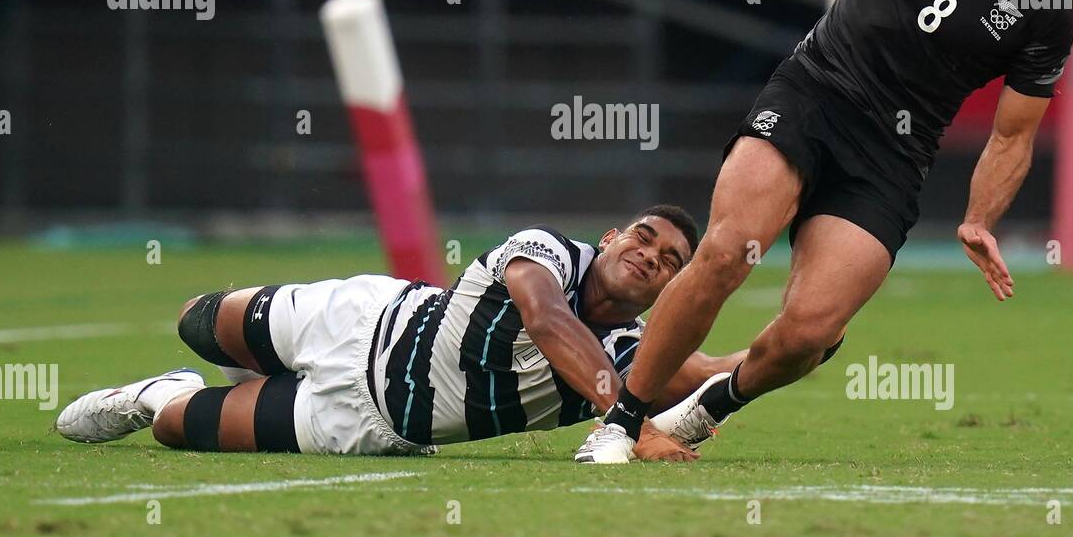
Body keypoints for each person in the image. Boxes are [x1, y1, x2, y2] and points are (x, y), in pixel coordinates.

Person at [577, 0, 1073, 463]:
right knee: (727, 250)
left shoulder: (1051, 9)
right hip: (816, 91)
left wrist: (979, 219)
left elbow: (1013, 135)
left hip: (893, 157)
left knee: (810, 333)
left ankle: (698, 412)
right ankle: (621, 421)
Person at [56, 206, 743, 460]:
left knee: (177, 427)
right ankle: (198, 365)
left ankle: (155, 394)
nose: (650, 254)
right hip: (360, 321)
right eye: (644, 237)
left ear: (672, 288)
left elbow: (709, 372)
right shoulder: (546, 250)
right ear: (611, 237)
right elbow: (547, 318)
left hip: (370, 424)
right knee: (197, 321)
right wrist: (625, 423)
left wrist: (798, 341)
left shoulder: (637, 352)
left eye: (670, 262)